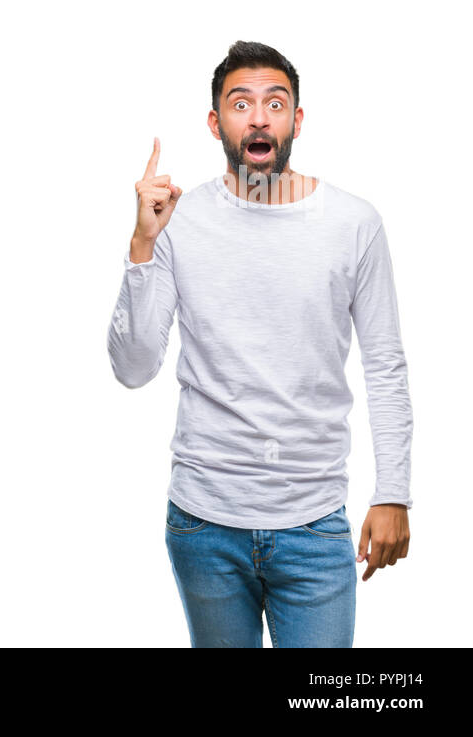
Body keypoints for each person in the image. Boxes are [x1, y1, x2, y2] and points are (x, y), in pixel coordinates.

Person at [108, 41, 412, 647]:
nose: (259, 117)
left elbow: (384, 364)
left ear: (296, 121)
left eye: (275, 103)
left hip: (315, 523)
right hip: (204, 522)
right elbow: (134, 367)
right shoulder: (177, 220)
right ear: (216, 122)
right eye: (240, 103)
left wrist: (394, 493)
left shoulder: (353, 223)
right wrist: (142, 244)